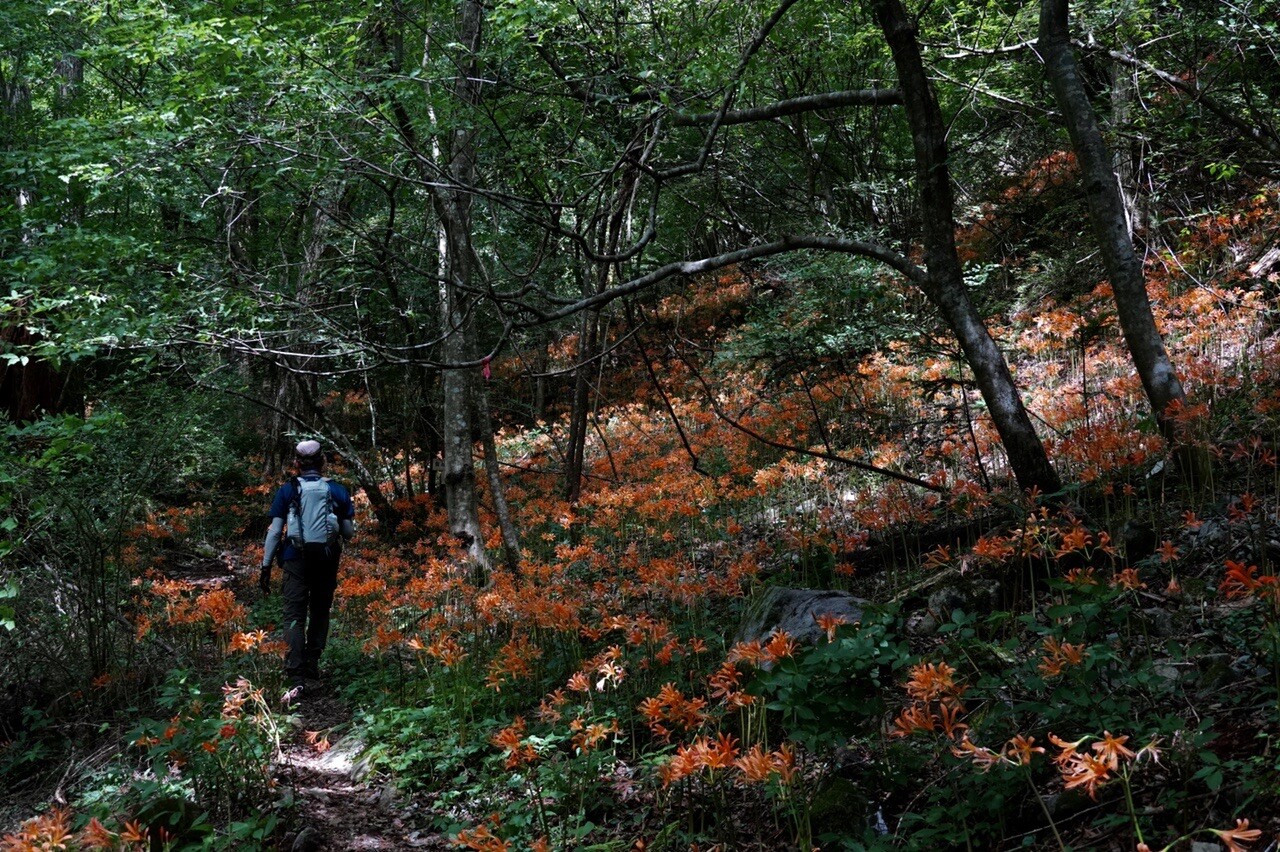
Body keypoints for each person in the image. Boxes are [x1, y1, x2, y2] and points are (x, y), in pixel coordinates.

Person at [260, 440, 356, 692]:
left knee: (294, 615)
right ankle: (312, 662)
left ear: (296, 463)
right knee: (320, 610)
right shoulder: (337, 490)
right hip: (327, 558)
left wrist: (266, 566)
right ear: (323, 461)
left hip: (295, 558)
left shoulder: (287, 490)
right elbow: (348, 533)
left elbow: (274, 532)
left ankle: (295, 674)